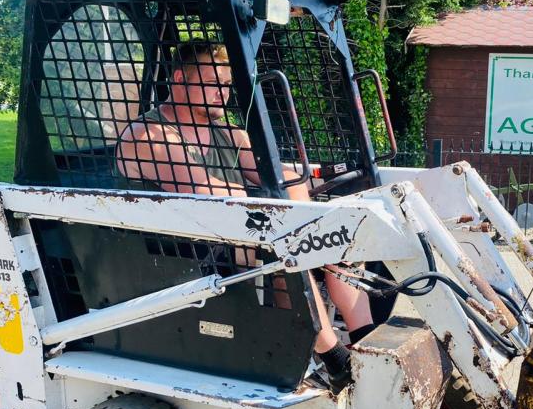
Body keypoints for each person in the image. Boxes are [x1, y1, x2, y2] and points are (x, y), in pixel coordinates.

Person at [115, 40, 374, 385]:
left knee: (335, 239)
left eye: (225, 84)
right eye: (212, 83)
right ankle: (334, 360)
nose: (222, 92)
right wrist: (291, 219)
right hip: (177, 251)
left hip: (233, 232)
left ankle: (370, 348)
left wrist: (313, 217)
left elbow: (280, 176)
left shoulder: (228, 133)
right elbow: (206, 192)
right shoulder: (151, 136)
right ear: (179, 79)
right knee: (285, 250)